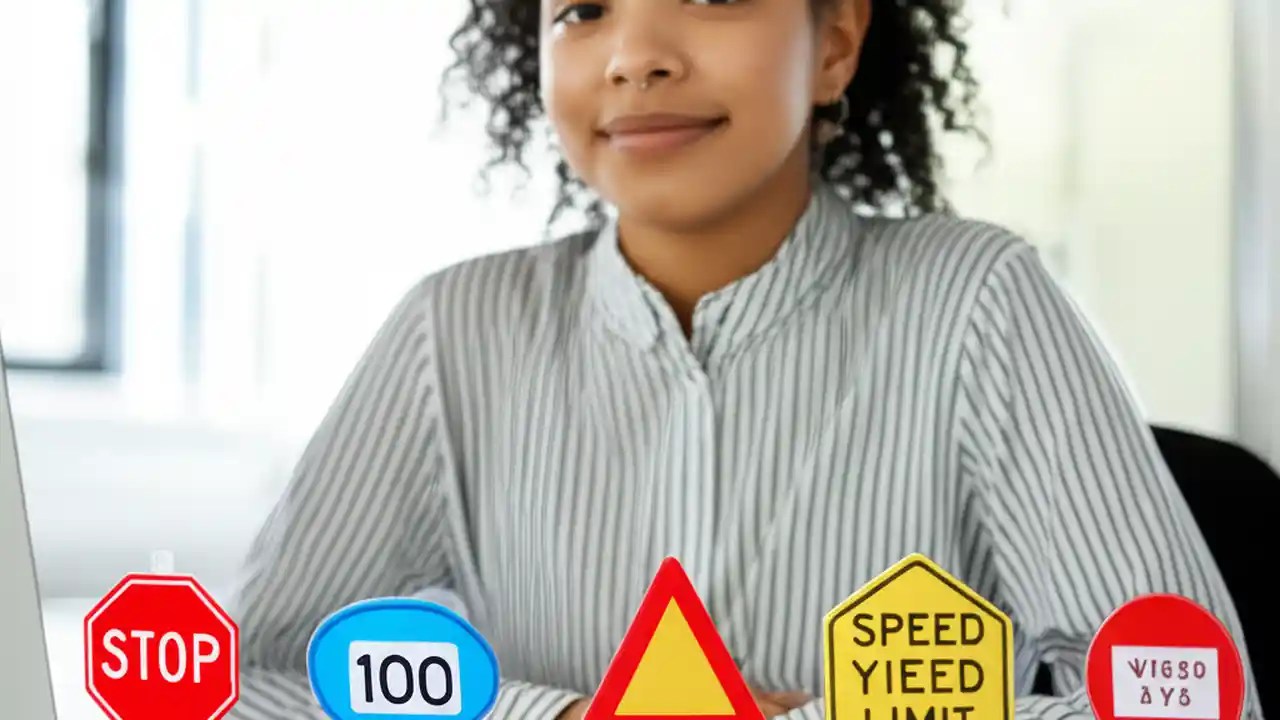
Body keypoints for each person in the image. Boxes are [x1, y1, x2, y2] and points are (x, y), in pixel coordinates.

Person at [226, 0, 1263, 717]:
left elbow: (1176, 693)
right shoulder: (449, 328)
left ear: (834, 45)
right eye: (581, 10)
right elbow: (251, 680)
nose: (634, 53)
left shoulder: (976, 300)